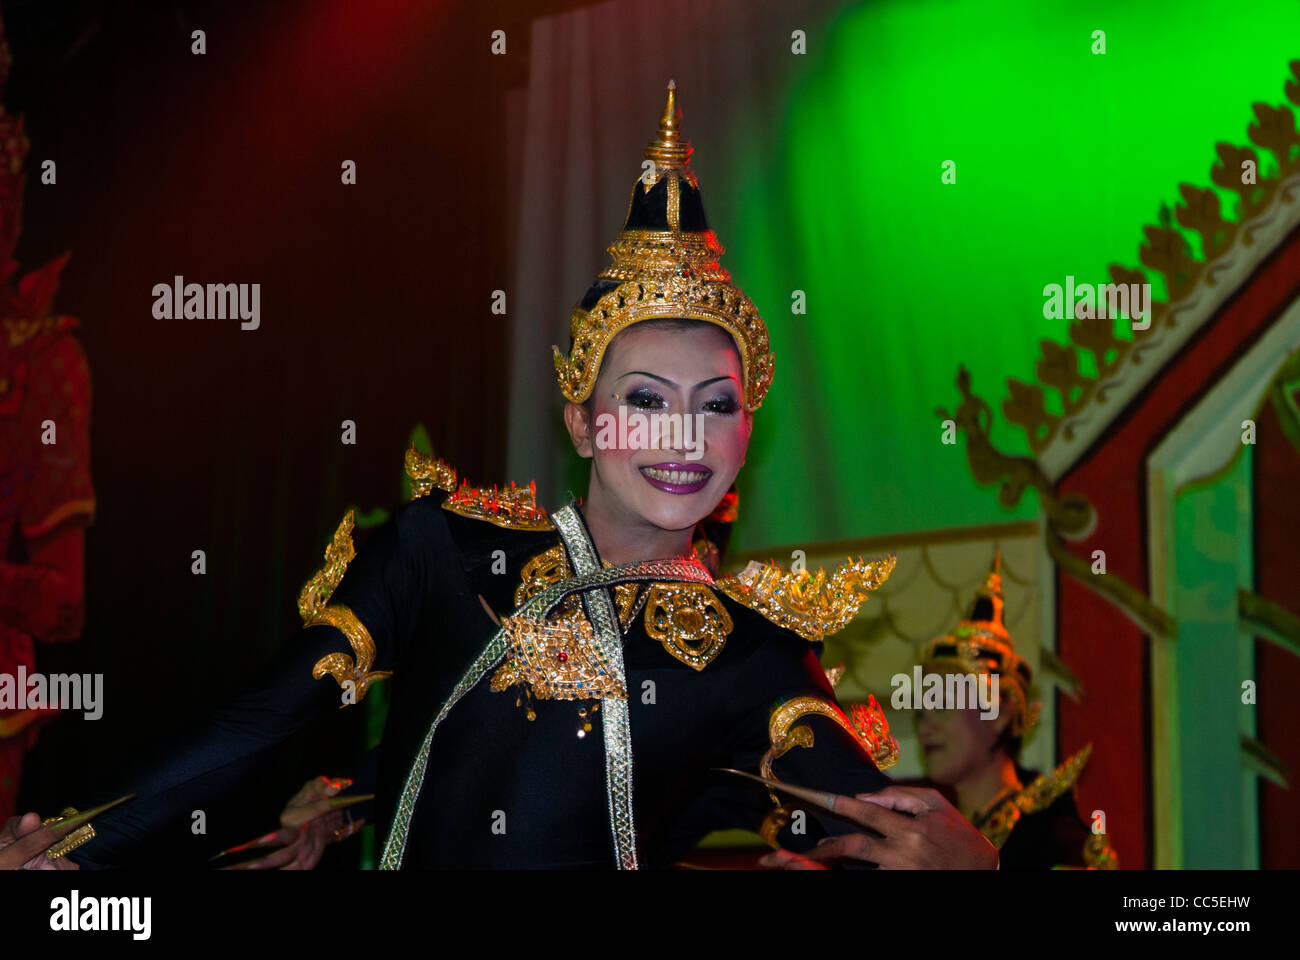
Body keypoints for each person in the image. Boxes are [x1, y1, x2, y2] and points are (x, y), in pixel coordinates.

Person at [1, 82, 996, 870]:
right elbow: (264, 727)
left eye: (718, 403)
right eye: (646, 400)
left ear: (746, 431)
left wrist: (960, 864)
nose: (682, 435)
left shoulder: (750, 656)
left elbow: (861, 821)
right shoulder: (444, 550)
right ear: (582, 418)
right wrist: (76, 855)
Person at [910, 553, 1118, 869]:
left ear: (1002, 713)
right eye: (920, 712)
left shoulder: (1054, 839)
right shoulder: (921, 826)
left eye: (941, 704)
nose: (925, 726)